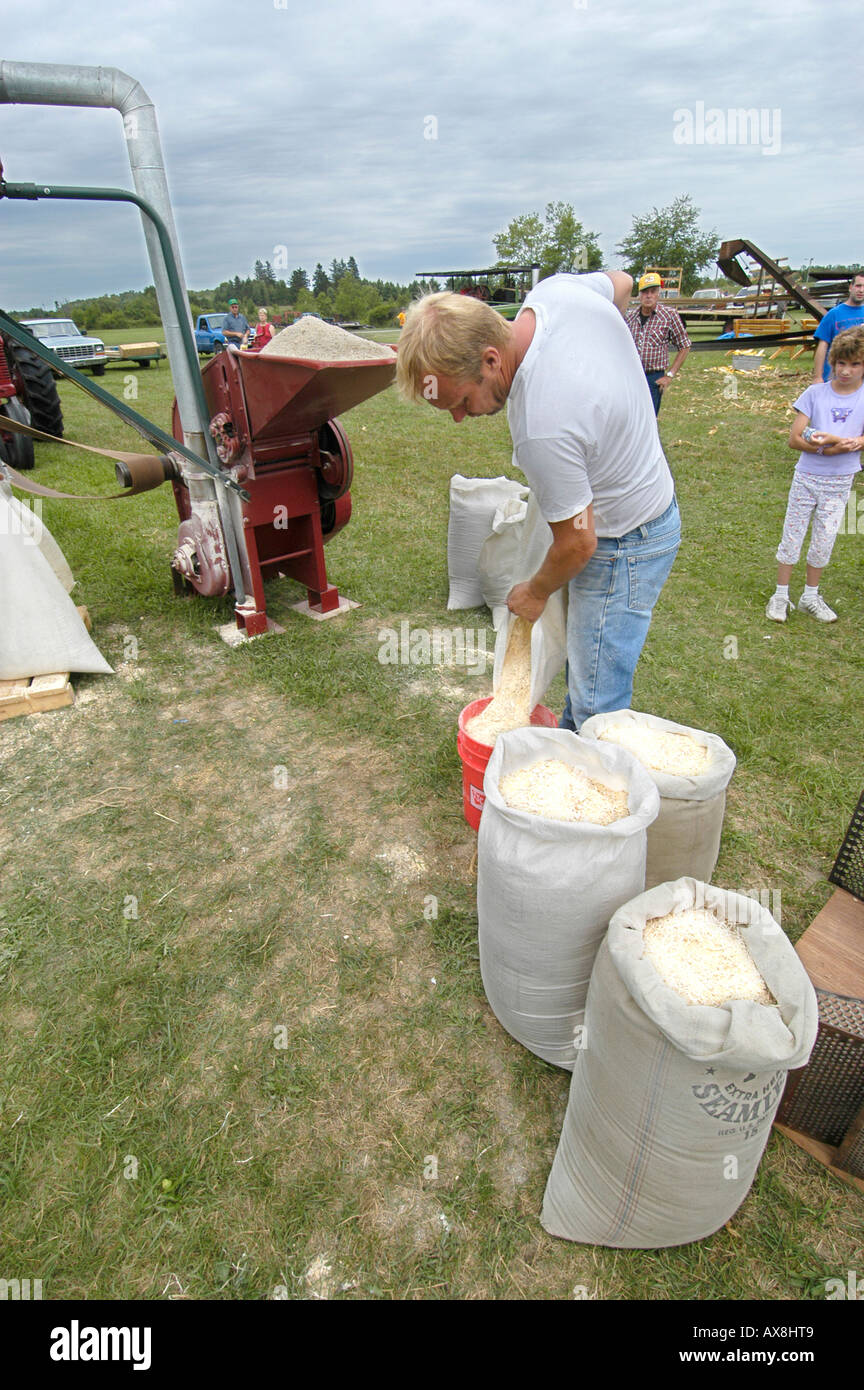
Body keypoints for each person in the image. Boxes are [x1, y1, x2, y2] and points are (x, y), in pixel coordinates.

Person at [396, 272, 681, 731]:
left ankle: (599, 785)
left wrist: (534, 591)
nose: (458, 418)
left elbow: (578, 545)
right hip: (645, 502)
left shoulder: (541, 424)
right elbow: (624, 283)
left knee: (597, 705)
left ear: (491, 359)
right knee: (587, 671)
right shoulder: (556, 293)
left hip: (627, 539)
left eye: (462, 401)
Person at [766, 324, 864, 624]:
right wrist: (828, 447)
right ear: (832, 362)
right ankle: (780, 594)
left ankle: (811, 595)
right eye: (841, 363)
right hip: (808, 477)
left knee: (825, 539)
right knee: (792, 536)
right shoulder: (815, 394)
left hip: (841, 481)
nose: (846, 371)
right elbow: (796, 437)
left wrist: (857, 442)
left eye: (855, 364)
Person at [625, 272, 691, 414]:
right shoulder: (630, 317)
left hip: (653, 378)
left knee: (649, 418)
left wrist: (670, 375)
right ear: (639, 295)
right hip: (632, 376)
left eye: (652, 292)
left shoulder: (669, 315)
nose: (648, 296)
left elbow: (684, 345)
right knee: (630, 417)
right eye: (645, 292)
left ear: (658, 294)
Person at [812, 271, 864, 383]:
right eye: (858, 286)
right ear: (851, 287)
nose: (861, 290)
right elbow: (822, 345)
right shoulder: (834, 314)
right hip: (835, 378)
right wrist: (817, 377)